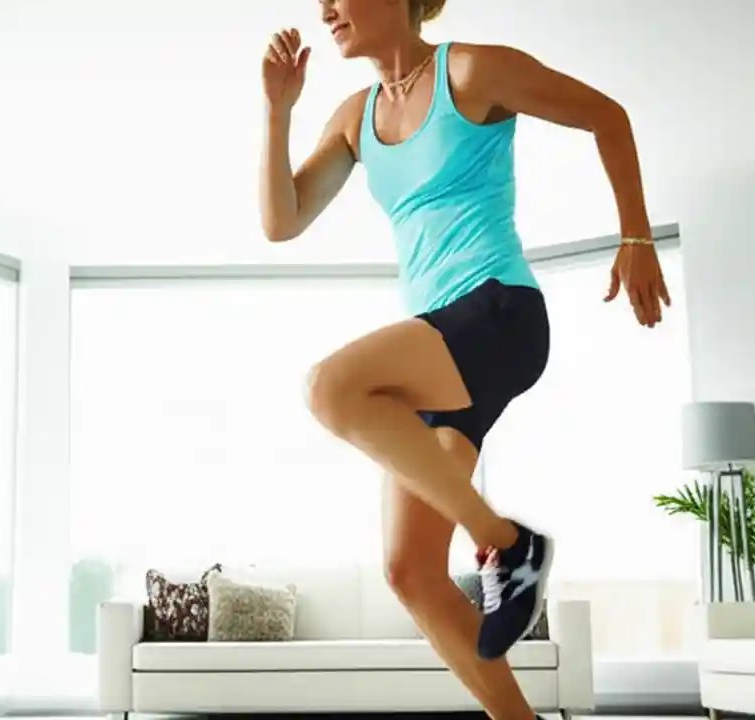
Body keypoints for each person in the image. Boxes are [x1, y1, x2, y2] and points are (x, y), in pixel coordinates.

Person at [258, 1, 671, 718]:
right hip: (439, 348)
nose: (325, 8)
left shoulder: (472, 72)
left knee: (330, 387)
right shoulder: (356, 118)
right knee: (410, 571)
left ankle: (505, 543)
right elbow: (283, 220)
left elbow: (608, 116)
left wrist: (636, 238)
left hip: (499, 313)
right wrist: (277, 112)